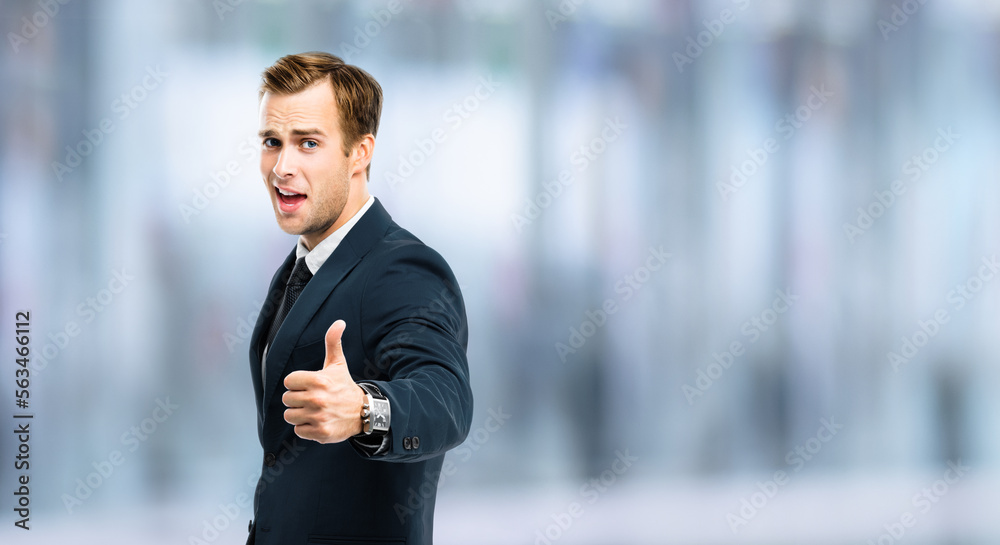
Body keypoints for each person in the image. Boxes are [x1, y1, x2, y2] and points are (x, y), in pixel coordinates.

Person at [246, 51, 473, 545]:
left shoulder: (402, 268)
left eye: (308, 143)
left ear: (359, 153)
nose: (282, 167)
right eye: (272, 142)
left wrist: (366, 410)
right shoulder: (302, 266)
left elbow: (446, 401)